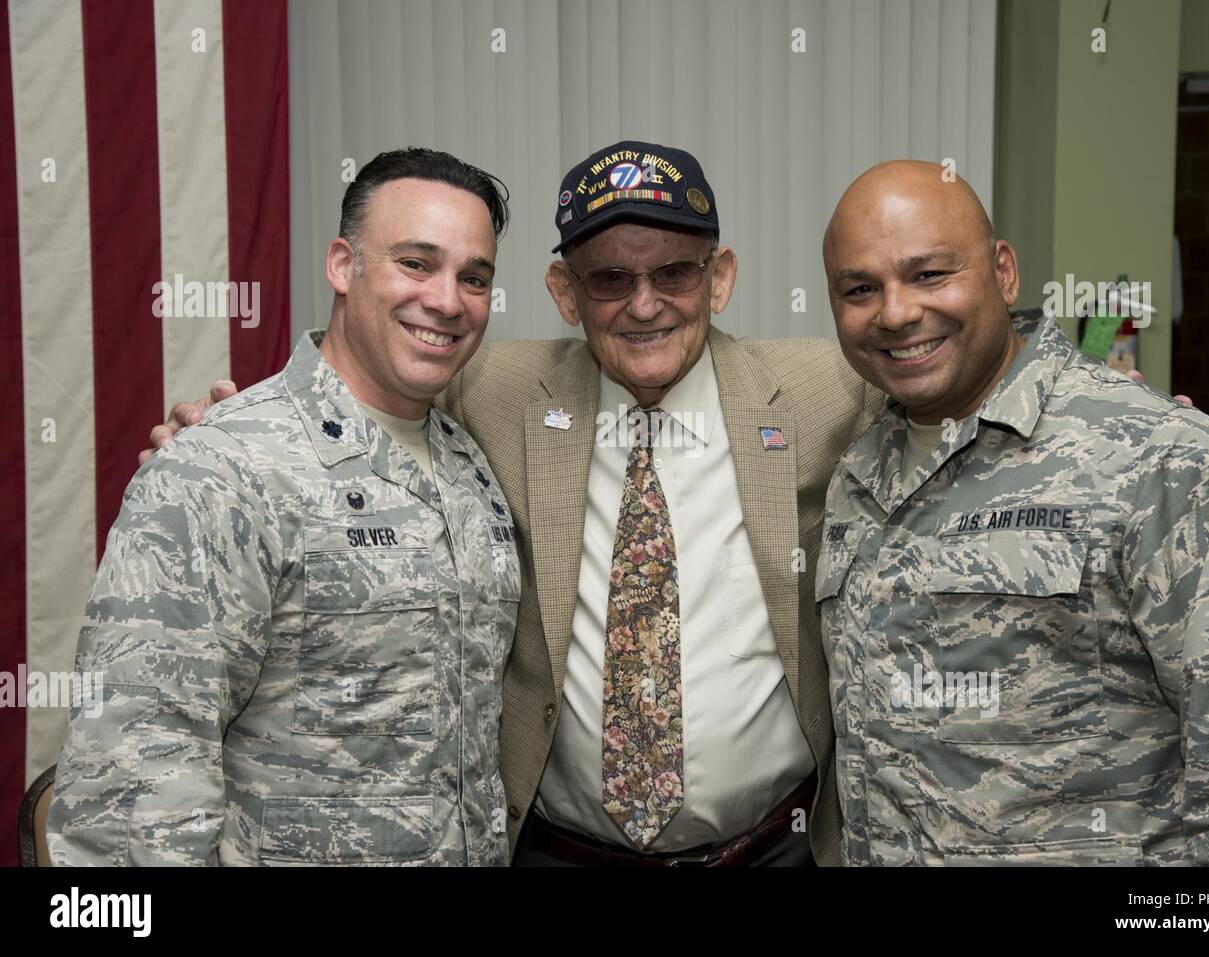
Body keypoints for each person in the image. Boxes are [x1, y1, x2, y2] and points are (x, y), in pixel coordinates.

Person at [146, 141, 884, 866]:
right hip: (555, 850)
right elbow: (362, 392)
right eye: (609, 279)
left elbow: (945, 376)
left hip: (770, 846)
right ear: (564, 292)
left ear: (718, 278)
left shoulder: (830, 389)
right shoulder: (488, 387)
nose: (645, 303)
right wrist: (222, 448)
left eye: (675, 273)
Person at [817, 160, 1209, 865]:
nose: (894, 312)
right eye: (860, 289)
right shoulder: (857, 475)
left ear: (1004, 272)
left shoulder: (1164, 460)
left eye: (929, 274)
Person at [49, 149, 521, 865]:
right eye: (416, 263)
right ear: (342, 265)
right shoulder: (221, 468)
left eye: (474, 276)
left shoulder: (470, 467)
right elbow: (131, 785)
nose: (448, 300)